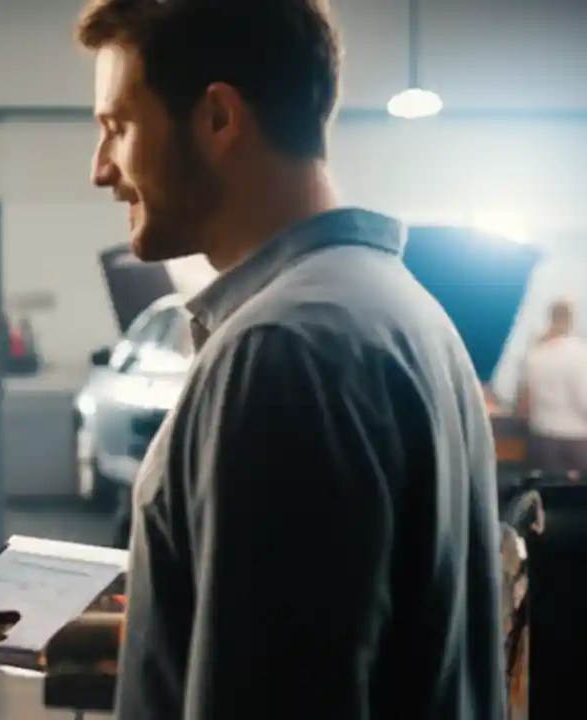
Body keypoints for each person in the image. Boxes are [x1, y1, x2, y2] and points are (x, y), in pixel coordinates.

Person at [76, 1, 504, 718]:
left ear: (218, 118)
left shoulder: (283, 351)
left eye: (118, 126)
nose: (101, 169)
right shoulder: (395, 308)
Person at [518, 299, 587, 477]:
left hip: (542, 440)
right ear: (571, 321)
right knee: (577, 501)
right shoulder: (581, 353)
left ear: (551, 318)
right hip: (577, 442)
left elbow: (524, 403)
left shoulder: (535, 353)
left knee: (549, 497)